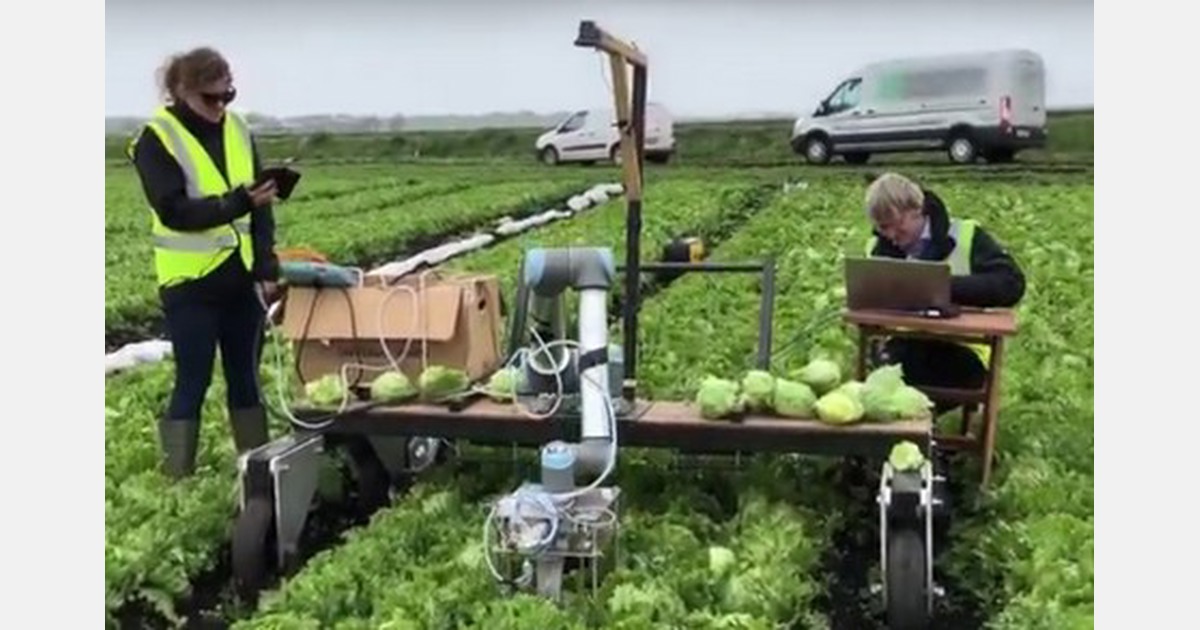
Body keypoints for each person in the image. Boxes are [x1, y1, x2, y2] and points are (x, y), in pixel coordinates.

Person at [128, 47, 282, 479]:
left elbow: (260, 208)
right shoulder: (155, 138)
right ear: (181, 91)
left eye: (226, 96)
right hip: (191, 284)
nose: (220, 107)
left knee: (246, 379)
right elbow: (173, 210)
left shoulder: (238, 129)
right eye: (210, 98)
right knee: (192, 381)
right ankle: (178, 480)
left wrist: (267, 264)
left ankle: (257, 473)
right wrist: (238, 201)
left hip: (241, 281)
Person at [862, 172, 1025, 413]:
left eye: (897, 225)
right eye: (883, 228)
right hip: (902, 345)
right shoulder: (877, 250)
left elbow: (1011, 284)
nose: (891, 235)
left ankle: (921, 437)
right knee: (888, 374)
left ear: (917, 210)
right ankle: (899, 440)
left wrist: (943, 286)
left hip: (964, 347)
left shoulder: (966, 235)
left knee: (930, 378)